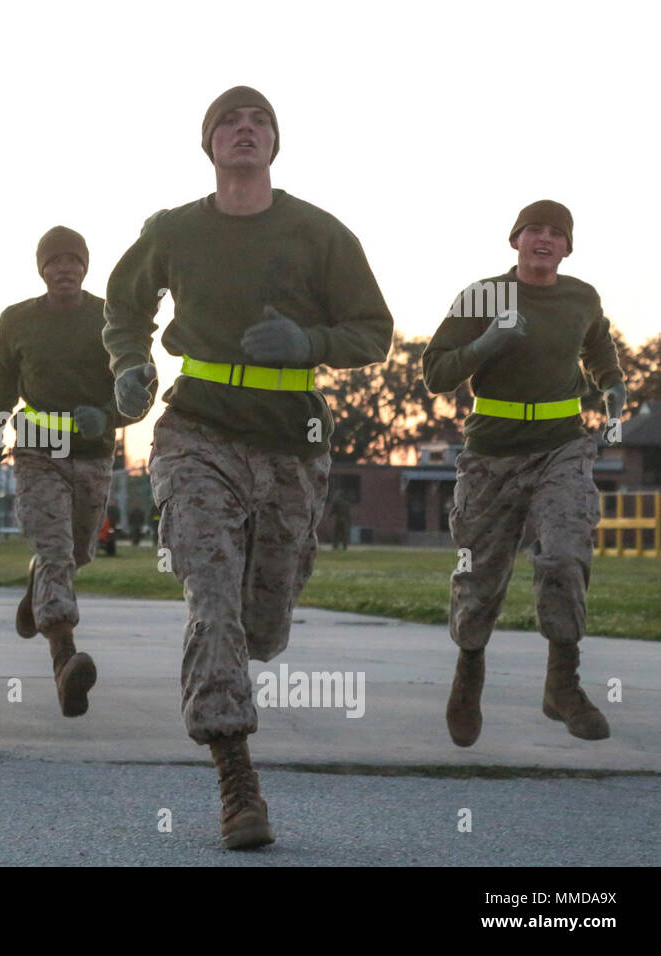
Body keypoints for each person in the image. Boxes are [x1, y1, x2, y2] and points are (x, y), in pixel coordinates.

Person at [103, 86, 394, 849]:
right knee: (212, 592)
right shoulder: (174, 230)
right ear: (209, 145)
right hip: (198, 428)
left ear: (274, 143)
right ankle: (237, 778)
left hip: (294, 438)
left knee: (262, 622)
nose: (244, 128)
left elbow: (373, 331)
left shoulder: (319, 232)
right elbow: (124, 303)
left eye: (258, 119)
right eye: (228, 120)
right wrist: (130, 364)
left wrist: (307, 343)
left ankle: (253, 637)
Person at [423, 199, 622, 746]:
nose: (544, 239)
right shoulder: (483, 295)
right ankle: (468, 673)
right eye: (533, 229)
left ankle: (563, 682)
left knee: (564, 552)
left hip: (561, 446)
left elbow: (599, 345)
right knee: (480, 575)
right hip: (492, 451)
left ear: (566, 246)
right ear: (515, 240)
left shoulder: (581, 297)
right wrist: (486, 344)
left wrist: (613, 385)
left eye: (556, 233)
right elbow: (435, 372)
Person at [0, 226, 152, 718]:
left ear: (85, 267)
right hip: (39, 445)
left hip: (92, 450)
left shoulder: (110, 319)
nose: (64, 269)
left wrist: (112, 416)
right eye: (55, 262)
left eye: (73, 261)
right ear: (42, 270)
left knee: (77, 551)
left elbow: (140, 382)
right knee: (55, 545)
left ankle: (40, 582)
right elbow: (1, 380)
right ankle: (64, 659)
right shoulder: (17, 321)